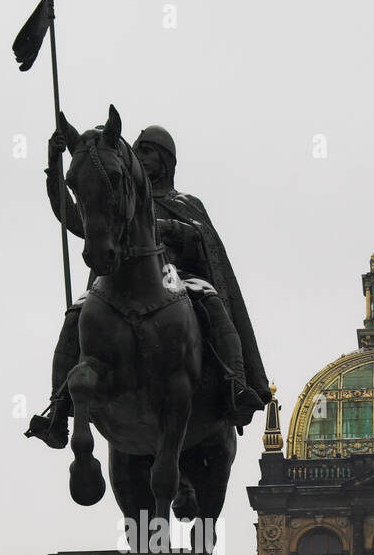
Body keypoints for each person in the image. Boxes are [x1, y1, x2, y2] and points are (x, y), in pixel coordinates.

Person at [29, 123, 270, 448]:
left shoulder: (185, 201)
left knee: (211, 302)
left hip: (176, 277)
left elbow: (201, 238)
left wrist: (169, 228)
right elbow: (75, 216)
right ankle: (58, 410)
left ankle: (236, 384)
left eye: (147, 152)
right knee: (76, 313)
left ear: (166, 162)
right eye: (138, 151)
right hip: (117, 283)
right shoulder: (118, 200)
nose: (139, 156)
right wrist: (53, 167)